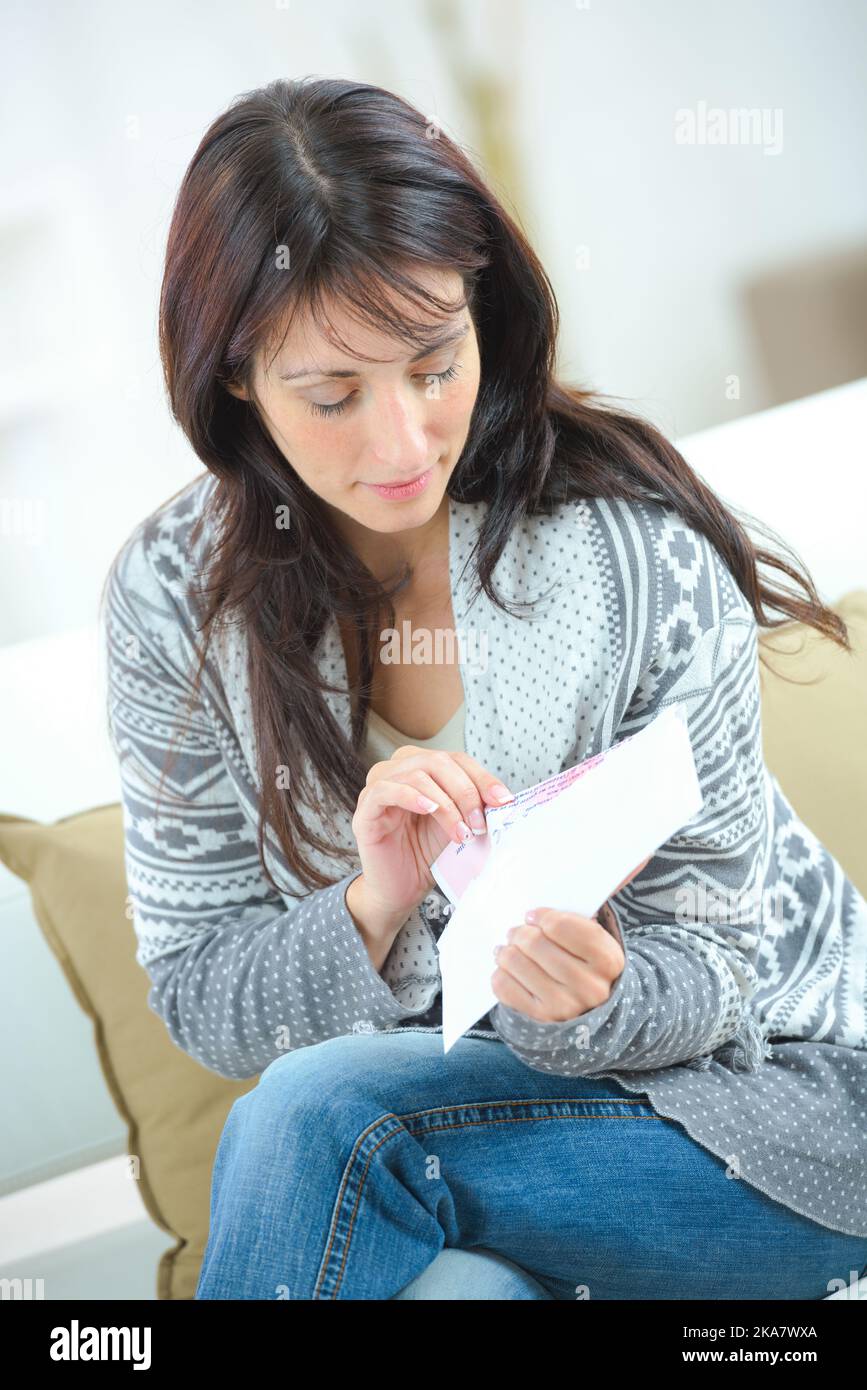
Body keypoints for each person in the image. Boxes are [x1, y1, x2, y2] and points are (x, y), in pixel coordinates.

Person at [102, 76, 867, 1300]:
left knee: (320, 1117)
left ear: (483, 313)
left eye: (433, 362)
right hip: (476, 1138)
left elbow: (723, 965)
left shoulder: (633, 559)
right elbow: (202, 991)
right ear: (237, 376)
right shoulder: (172, 602)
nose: (403, 442)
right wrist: (373, 908)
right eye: (332, 394)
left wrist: (600, 996)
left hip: (776, 1110)